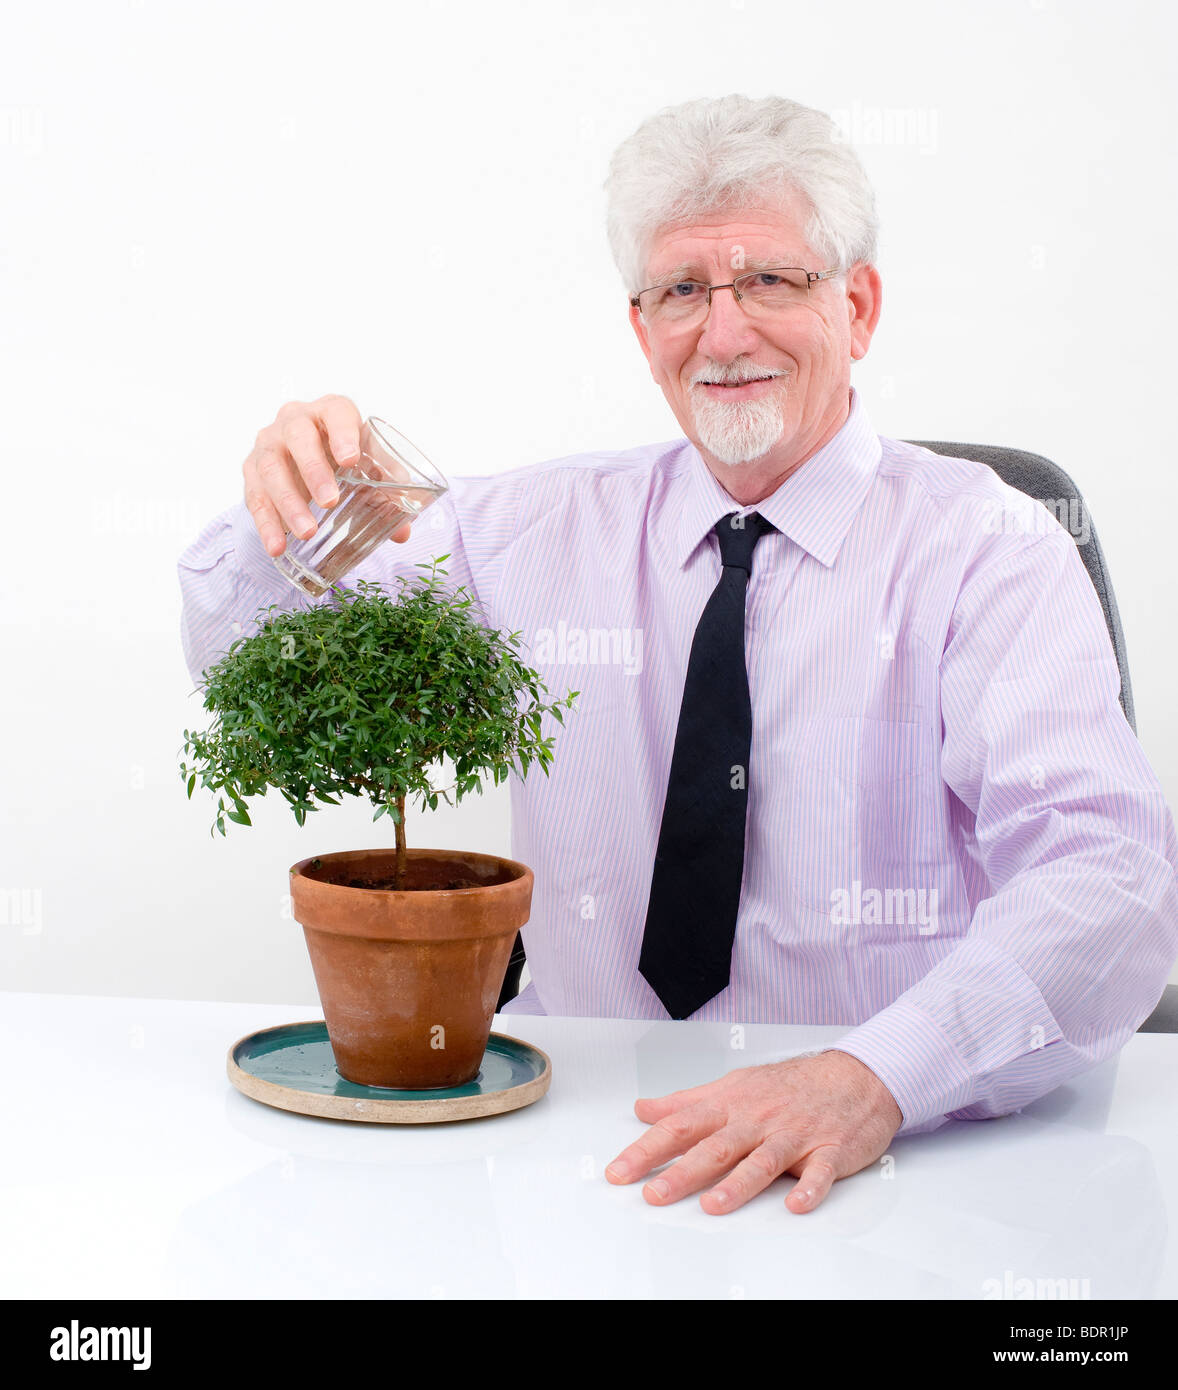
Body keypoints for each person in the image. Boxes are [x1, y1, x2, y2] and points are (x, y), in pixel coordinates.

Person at [178, 93, 1178, 1218]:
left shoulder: (989, 548)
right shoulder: (534, 532)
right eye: (682, 291)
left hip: (893, 1163)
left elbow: (1110, 880)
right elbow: (247, 661)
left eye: (769, 281)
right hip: (579, 1150)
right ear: (640, 326)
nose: (724, 331)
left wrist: (871, 1078)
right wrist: (287, 510)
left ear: (856, 305)